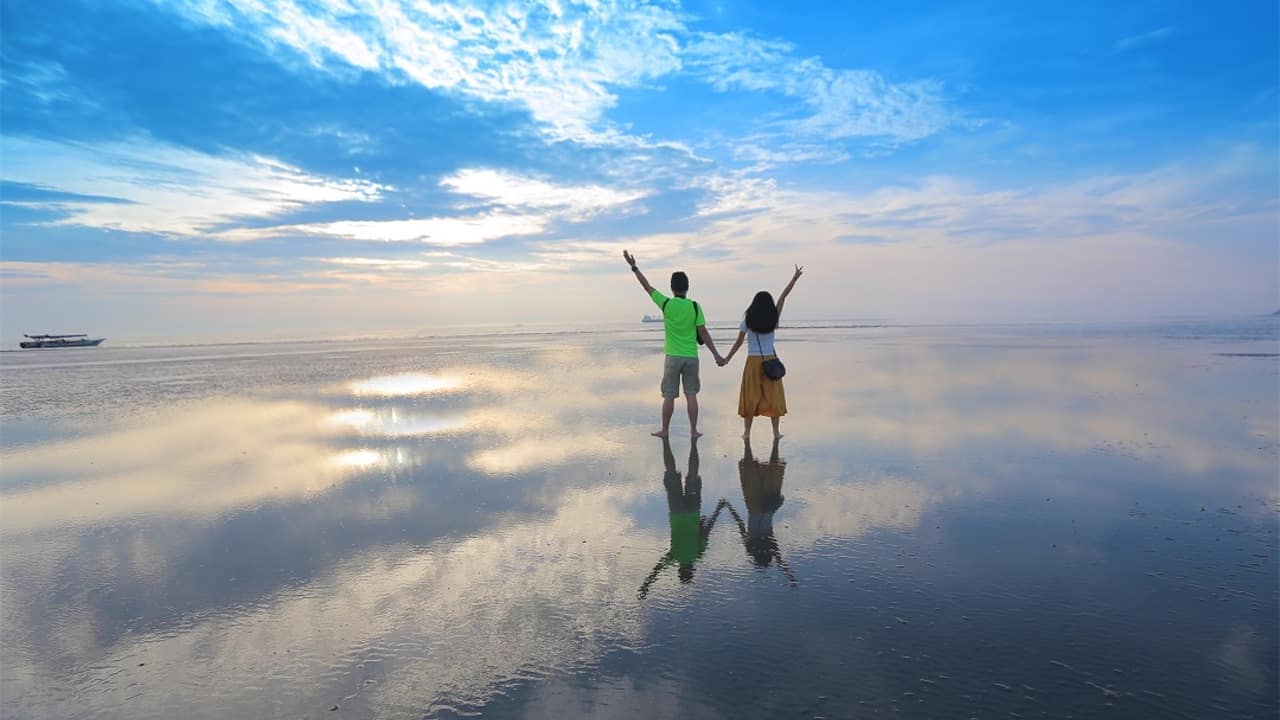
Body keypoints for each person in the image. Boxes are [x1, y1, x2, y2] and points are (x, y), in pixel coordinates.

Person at [623, 250, 724, 438]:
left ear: (671, 288)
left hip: (672, 357)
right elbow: (703, 333)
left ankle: (665, 430)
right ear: (687, 287)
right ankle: (693, 431)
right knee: (691, 395)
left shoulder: (666, 304)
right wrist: (716, 354)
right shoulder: (695, 306)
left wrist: (634, 267)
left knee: (669, 395)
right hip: (691, 357)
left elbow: (647, 287)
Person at [719, 264, 803, 439]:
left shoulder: (748, 320)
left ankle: (746, 433)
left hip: (752, 363)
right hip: (770, 362)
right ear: (769, 305)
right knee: (774, 397)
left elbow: (738, 343)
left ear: (754, 304)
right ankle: (776, 433)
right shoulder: (773, 318)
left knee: (750, 397)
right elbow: (783, 297)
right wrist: (794, 278)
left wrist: (727, 358)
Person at [638, 437, 727, 598]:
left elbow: (706, 531)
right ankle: (666, 442)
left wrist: (718, 510)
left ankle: (693, 443)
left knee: (693, 474)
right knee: (671, 474)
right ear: (679, 568)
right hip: (677, 512)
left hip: (693, 511)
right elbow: (657, 569)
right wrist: (646, 585)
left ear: (692, 568)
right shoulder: (675, 556)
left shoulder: (698, 554)